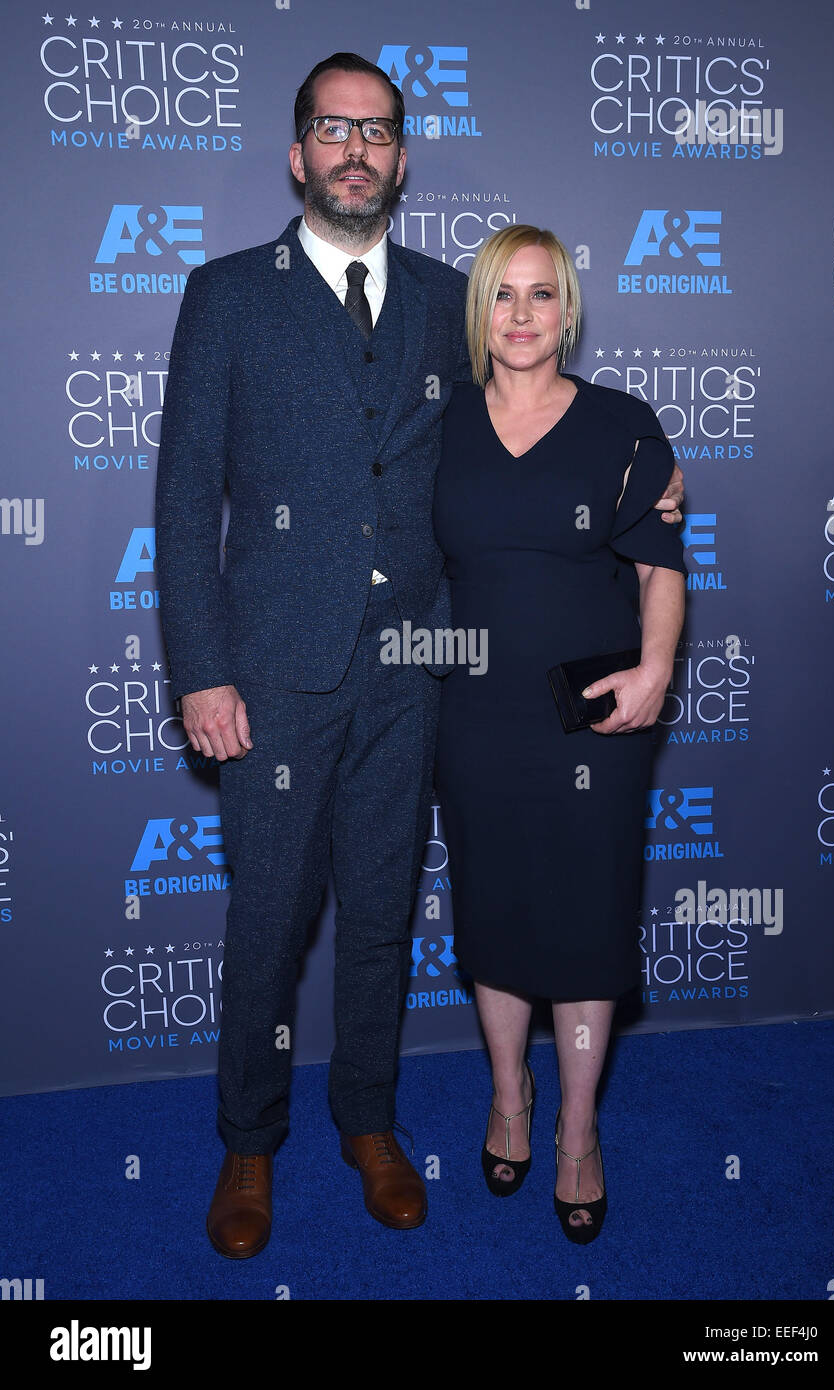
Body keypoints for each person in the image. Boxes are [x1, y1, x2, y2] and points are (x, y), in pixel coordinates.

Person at [155, 51, 684, 1260]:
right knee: (269, 915)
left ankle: (369, 1121)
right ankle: (249, 1139)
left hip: (415, 667)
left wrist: (652, 483)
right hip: (272, 670)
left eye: (378, 132)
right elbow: (184, 497)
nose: (356, 151)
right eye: (333, 129)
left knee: (384, 913)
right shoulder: (226, 295)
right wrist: (200, 668)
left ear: (400, 160)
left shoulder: (456, 300)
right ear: (298, 153)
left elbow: (541, 424)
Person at [432, 225, 687, 1243]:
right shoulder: (440, 421)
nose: (522, 314)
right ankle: (510, 1096)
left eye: (542, 294)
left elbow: (660, 567)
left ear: (568, 310)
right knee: (494, 914)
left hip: (591, 714)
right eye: (503, 294)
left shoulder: (623, 423)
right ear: (479, 312)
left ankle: (578, 1129)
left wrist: (656, 670)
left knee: (586, 925)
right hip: (475, 714)